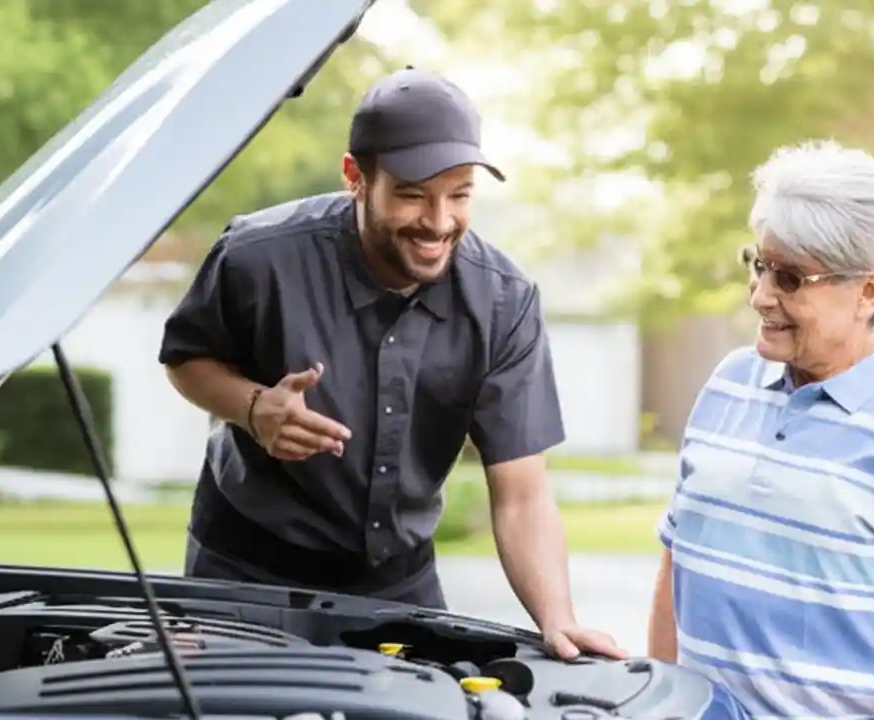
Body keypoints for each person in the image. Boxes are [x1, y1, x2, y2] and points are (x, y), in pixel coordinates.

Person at [158, 66, 624, 661]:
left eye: (459, 195)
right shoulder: (257, 258)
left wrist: (558, 620)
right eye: (411, 195)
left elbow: (522, 492)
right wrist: (251, 408)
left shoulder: (504, 301)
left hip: (399, 584)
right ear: (356, 176)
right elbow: (186, 358)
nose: (438, 221)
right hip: (243, 571)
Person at [649, 140, 874, 719]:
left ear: (869, 290)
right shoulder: (728, 385)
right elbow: (676, 563)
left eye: (790, 279)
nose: (761, 295)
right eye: (759, 265)